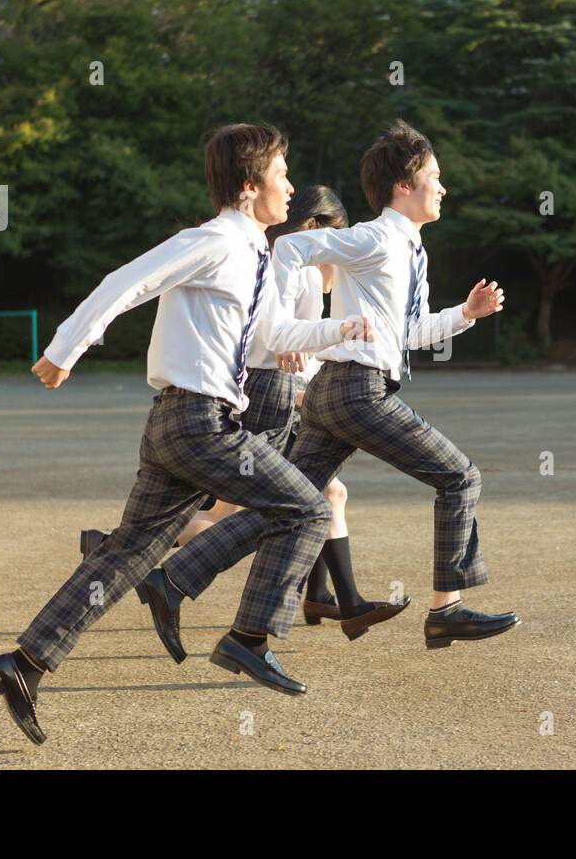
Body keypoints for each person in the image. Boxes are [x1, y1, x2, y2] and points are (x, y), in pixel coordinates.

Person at [0, 123, 372, 744]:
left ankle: (23, 664)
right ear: (249, 187)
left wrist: (341, 329)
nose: (292, 188)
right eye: (281, 175)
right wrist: (66, 349)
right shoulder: (214, 240)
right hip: (199, 423)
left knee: (129, 553)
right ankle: (249, 638)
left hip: (179, 425)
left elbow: (277, 336)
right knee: (305, 508)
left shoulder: (256, 255)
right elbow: (125, 282)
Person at [140, 119, 519, 698]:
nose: (443, 189)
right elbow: (290, 246)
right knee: (459, 475)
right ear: (404, 185)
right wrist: (285, 329)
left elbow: (410, 331)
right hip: (354, 392)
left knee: (288, 508)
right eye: (435, 179)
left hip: (338, 392)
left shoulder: (408, 249)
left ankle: (176, 579)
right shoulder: (375, 238)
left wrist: (465, 314)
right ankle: (448, 608)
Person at [79, 186, 405, 639]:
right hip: (271, 399)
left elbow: (277, 337)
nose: (342, 256)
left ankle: (329, 598)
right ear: (314, 229)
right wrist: (303, 387)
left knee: (318, 497)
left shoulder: (270, 261)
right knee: (259, 510)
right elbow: (277, 339)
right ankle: (130, 557)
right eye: (339, 240)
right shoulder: (300, 273)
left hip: (264, 395)